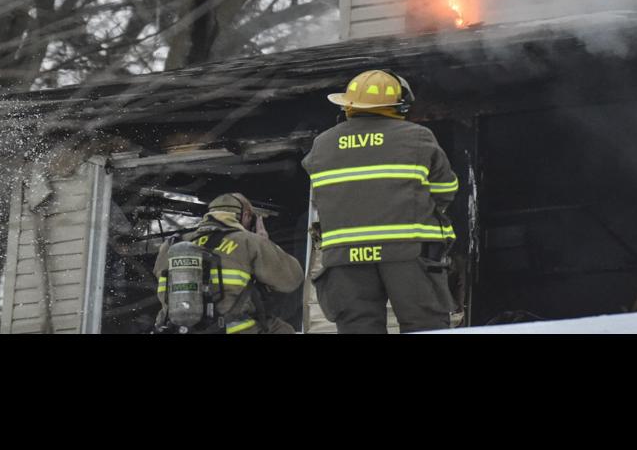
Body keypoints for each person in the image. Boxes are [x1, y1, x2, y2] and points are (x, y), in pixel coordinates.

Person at [302, 69, 459, 333]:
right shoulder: (418, 136)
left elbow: (320, 197)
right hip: (408, 252)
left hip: (344, 255)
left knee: (358, 327)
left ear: (348, 104)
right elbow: (446, 189)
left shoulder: (322, 144)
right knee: (425, 325)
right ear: (400, 105)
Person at [152, 192, 303, 334]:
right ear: (245, 216)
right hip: (234, 329)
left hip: (179, 329)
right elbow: (291, 280)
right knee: (283, 329)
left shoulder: (173, 244)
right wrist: (265, 242)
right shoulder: (248, 241)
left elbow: (159, 278)